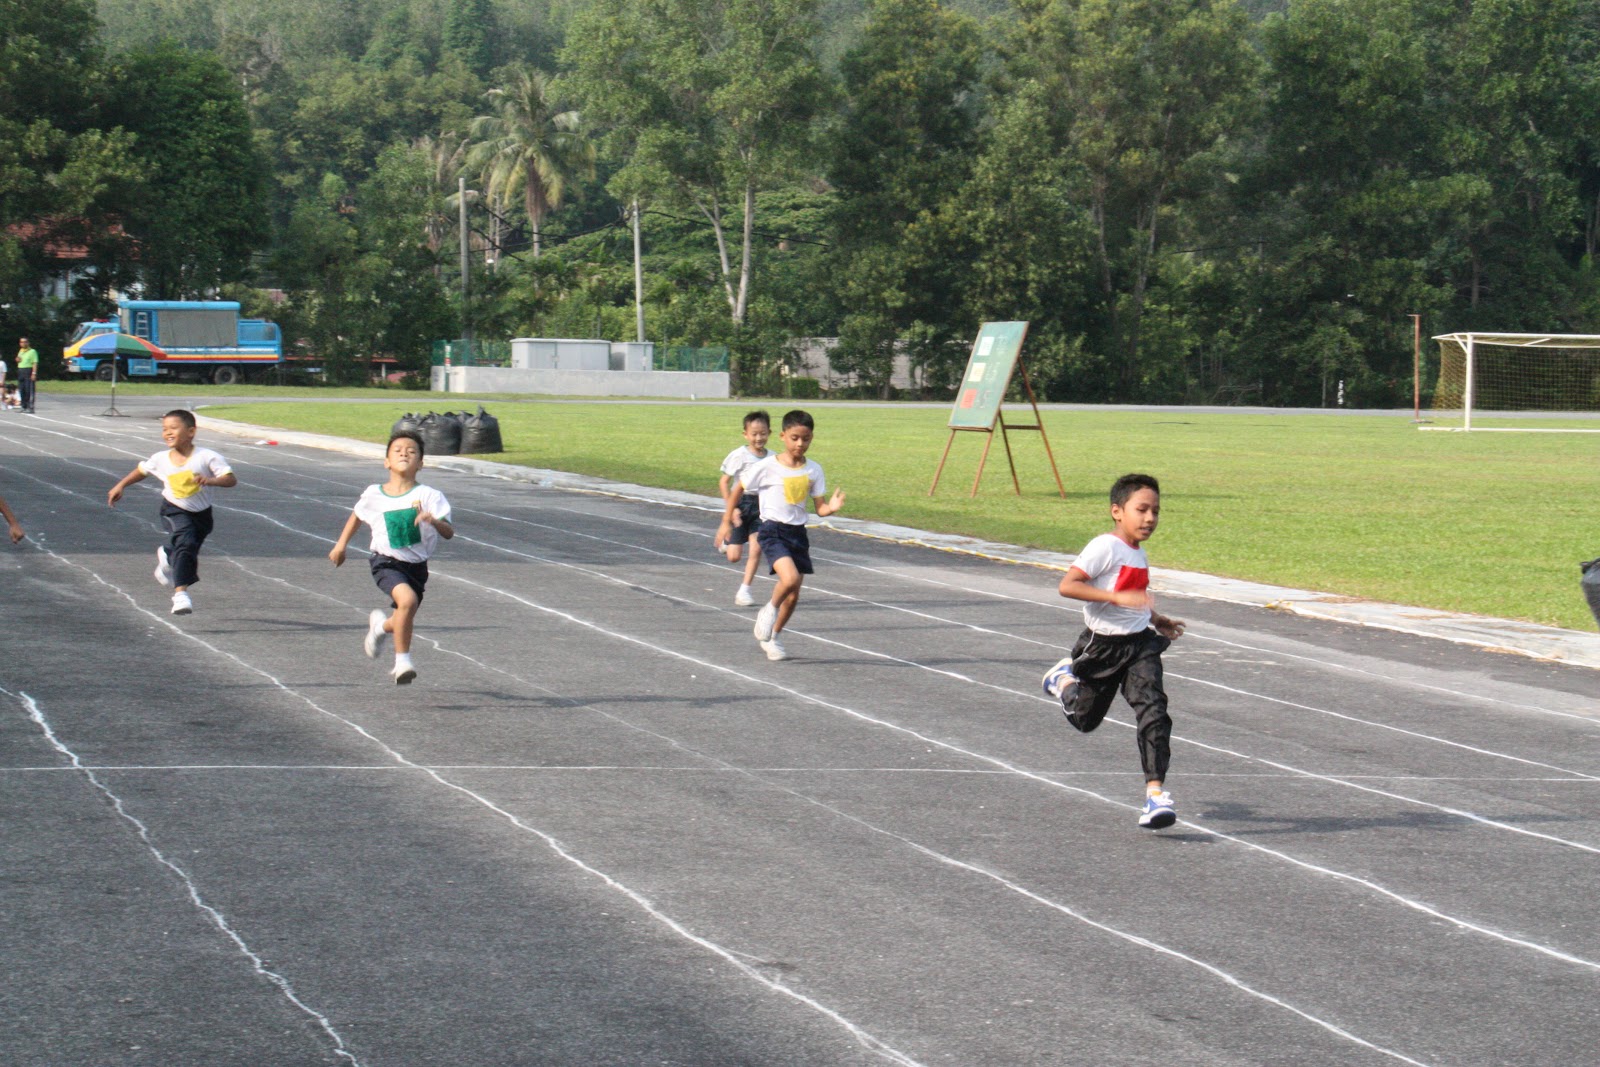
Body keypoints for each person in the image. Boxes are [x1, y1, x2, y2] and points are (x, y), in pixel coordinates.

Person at [1042, 473, 1186, 830]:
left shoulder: (1139, 553)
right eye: (1142, 509)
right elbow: (1068, 586)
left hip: (1138, 645)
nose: (1150, 518)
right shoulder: (1104, 547)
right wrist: (1114, 597)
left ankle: (1155, 795)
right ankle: (1063, 681)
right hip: (1101, 648)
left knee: (1154, 708)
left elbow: (1134, 599)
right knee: (1085, 720)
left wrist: (1157, 619)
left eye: (1156, 511)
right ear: (1117, 511)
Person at [716, 409, 844, 661]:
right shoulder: (767, 466)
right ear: (783, 436)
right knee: (789, 578)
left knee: (794, 592)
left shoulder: (814, 470)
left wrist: (832, 508)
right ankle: (769, 609)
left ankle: (773, 637)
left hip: (797, 534)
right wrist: (726, 522)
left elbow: (819, 508)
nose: (800, 444)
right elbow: (738, 487)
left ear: (812, 438)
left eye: (805, 439)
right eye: (795, 438)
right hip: (772, 530)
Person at [328, 431, 454, 685]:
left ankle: (379, 627)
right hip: (385, 562)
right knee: (406, 600)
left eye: (412, 450)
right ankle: (402, 663)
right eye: (398, 450)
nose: (404, 453)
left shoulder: (431, 496)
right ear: (386, 462)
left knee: (402, 617)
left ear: (421, 463)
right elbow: (357, 515)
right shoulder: (374, 493)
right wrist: (341, 545)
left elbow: (449, 533)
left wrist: (433, 519)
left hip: (417, 567)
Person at [107, 409, 237, 615]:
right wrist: (120, 485)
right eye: (164, 429)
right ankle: (180, 595)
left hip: (202, 515)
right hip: (173, 509)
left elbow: (230, 479)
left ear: (191, 431)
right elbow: (142, 471)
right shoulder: (161, 458)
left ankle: (168, 554)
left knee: (188, 548)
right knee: (186, 544)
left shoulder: (207, 457)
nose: (167, 432)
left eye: (173, 428)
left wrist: (210, 480)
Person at [715, 409, 772, 606]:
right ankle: (727, 541)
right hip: (740, 503)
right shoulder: (739, 455)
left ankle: (744, 591)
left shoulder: (772, 458)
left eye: (763, 433)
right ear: (745, 434)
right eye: (754, 434)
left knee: (756, 549)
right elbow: (724, 482)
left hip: (761, 506)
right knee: (734, 557)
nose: (759, 438)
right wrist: (731, 509)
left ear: (770, 433)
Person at [16, 337, 37, 413]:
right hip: (21, 370)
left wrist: (34, 373)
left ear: (28, 343)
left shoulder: (32, 351)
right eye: (21, 342)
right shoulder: (21, 351)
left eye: (25, 342)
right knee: (22, 389)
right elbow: (19, 360)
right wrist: (17, 360)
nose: (23, 343)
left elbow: (34, 363)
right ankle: (23, 406)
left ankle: (30, 407)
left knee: (29, 389)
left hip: (28, 370)